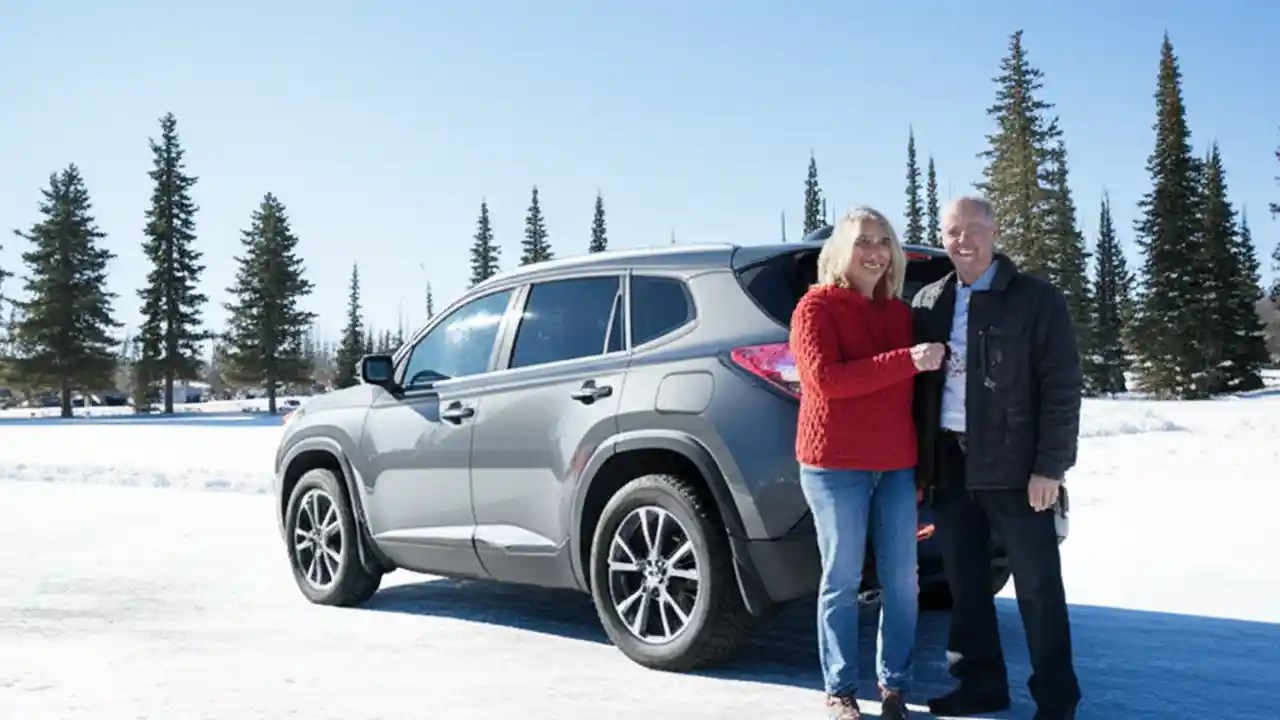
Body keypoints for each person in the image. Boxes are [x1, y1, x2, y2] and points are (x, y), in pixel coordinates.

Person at [911, 195, 1083, 719]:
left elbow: (1062, 387)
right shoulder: (929, 302)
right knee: (966, 585)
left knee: (1037, 588)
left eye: (972, 229)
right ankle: (980, 684)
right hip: (950, 464)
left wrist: (1050, 466)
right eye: (951, 232)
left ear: (994, 230)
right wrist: (921, 468)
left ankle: (1056, 700)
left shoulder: (1035, 299)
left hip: (1016, 469)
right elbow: (918, 391)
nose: (962, 241)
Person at [790, 206, 946, 720]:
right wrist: (906, 360)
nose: (875, 252)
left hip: (896, 465)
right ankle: (840, 690)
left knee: (903, 580)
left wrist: (921, 470)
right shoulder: (814, 309)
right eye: (863, 241)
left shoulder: (900, 315)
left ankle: (895, 687)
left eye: (883, 241)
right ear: (839, 250)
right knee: (842, 578)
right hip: (834, 465)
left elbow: (916, 398)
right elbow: (827, 382)